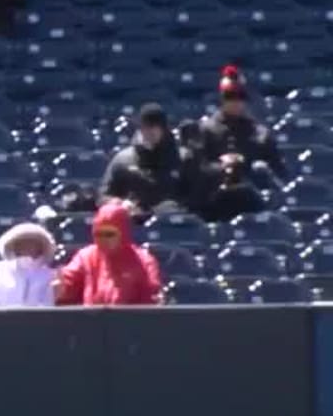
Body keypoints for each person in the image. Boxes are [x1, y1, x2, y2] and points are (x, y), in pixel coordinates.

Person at [181, 66, 286, 198]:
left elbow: (277, 170)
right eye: (230, 96)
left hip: (253, 196)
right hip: (214, 197)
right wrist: (221, 166)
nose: (235, 102)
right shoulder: (205, 130)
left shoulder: (260, 133)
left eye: (240, 97)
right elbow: (197, 168)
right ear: (222, 98)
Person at [55, 201, 163, 306]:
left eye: (110, 234)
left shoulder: (144, 261)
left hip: (129, 322)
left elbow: (151, 299)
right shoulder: (86, 256)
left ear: (123, 233)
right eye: (99, 234)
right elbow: (67, 283)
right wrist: (60, 286)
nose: (103, 239)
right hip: (92, 321)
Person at [100, 103, 184, 215]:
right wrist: (120, 204)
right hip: (133, 223)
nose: (149, 132)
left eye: (154, 127)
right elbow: (103, 196)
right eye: (145, 127)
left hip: (170, 224)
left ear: (163, 129)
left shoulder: (181, 158)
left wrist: (176, 206)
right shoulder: (123, 160)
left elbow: (196, 196)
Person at [0, 222, 57, 309]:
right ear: (14, 246)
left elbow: (47, 306)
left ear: (41, 247)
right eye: (22, 242)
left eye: (32, 243)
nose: (27, 246)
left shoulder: (49, 275)